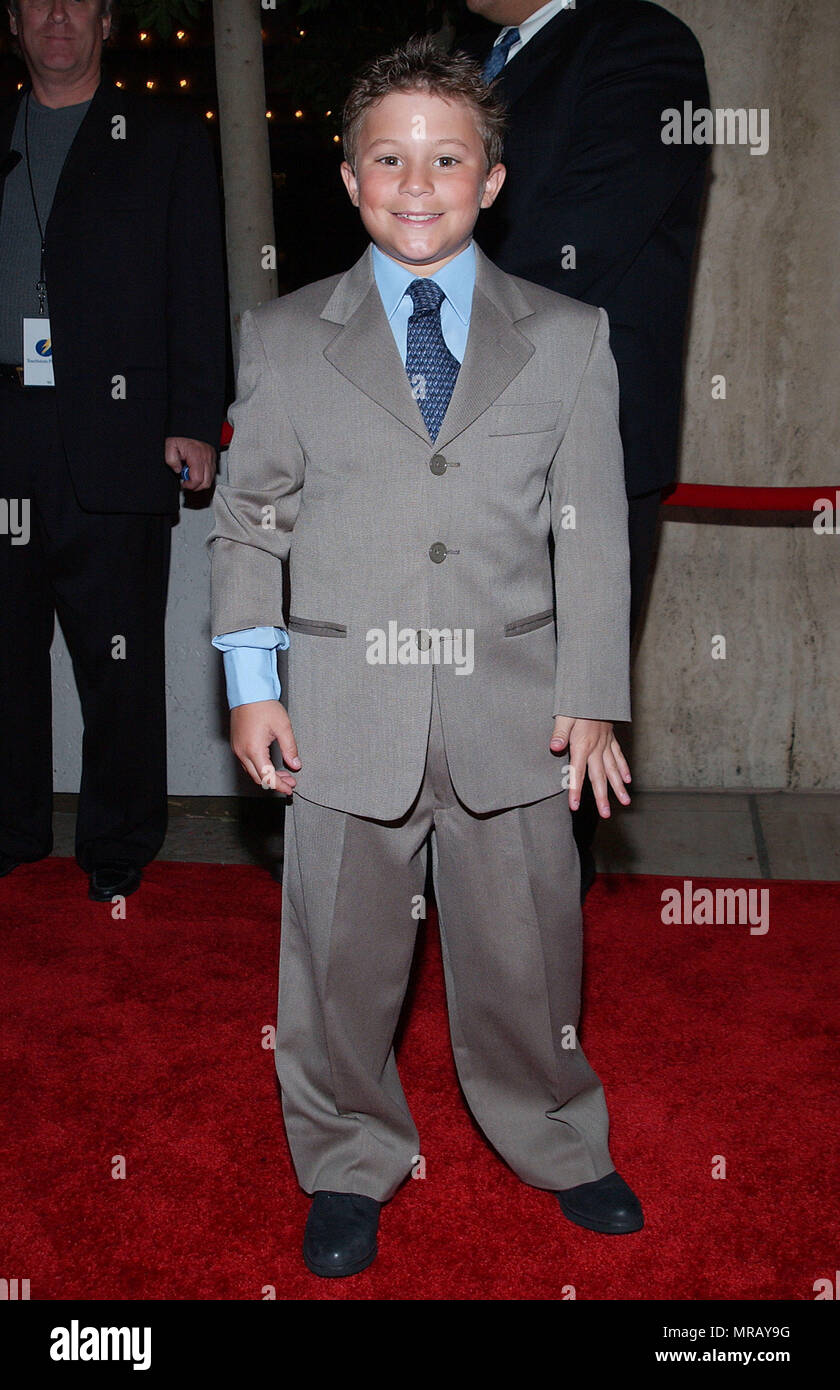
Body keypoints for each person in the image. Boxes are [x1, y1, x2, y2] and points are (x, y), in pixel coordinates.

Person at [209, 37, 639, 1279]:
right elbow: (251, 518)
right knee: (340, 964)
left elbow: (593, 532)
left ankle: (559, 1133)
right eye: (387, 157)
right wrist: (252, 686)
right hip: (345, 711)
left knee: (529, 947)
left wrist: (595, 700)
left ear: (492, 179)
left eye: (447, 157)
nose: (416, 180)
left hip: (518, 714)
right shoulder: (286, 336)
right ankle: (347, 1153)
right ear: (346, 178)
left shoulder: (570, 336)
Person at [459, 0, 710, 896]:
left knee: (558, 714)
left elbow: (576, 241)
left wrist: (427, 322)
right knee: (473, 698)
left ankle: (536, 952)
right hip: (461, 436)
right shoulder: (470, 55)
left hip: (576, 441)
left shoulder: (641, 45)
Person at [0, 0, 226, 901]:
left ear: (105, 22)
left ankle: (118, 841)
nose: (59, 16)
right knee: (6, 649)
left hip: (121, 430)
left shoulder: (165, 137)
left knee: (118, 654)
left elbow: (198, 283)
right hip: (6, 422)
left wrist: (196, 418)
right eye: (39, 0)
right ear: (13, 23)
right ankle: (14, 828)